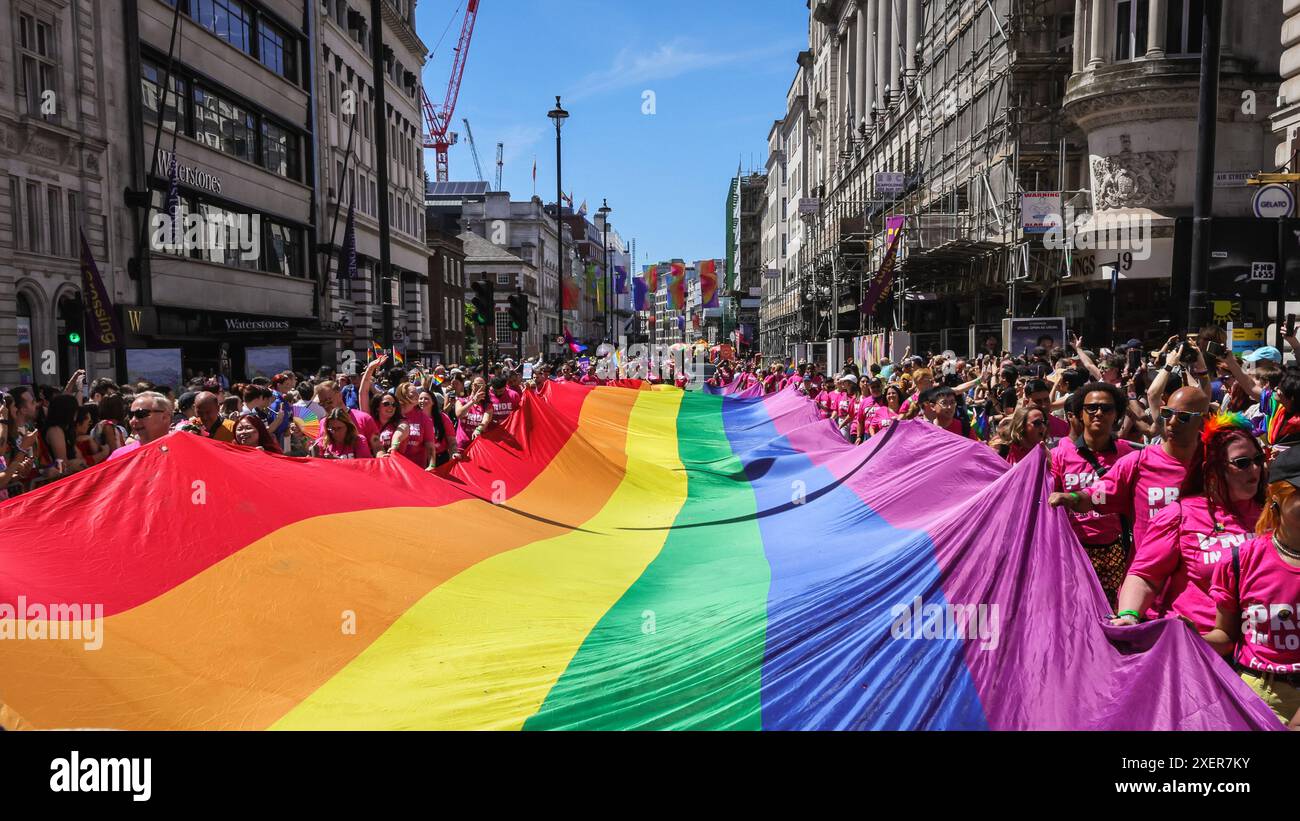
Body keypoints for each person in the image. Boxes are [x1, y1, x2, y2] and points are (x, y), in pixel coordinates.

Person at [1113, 413, 1265, 633]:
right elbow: (1145, 576)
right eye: (1242, 463)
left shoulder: (1272, 514)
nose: (1255, 469)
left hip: (1260, 649)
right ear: (1212, 471)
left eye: (1258, 460)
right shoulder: (1179, 515)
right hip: (1195, 645)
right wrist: (1129, 615)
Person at [1203, 445, 1300, 725]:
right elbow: (1225, 636)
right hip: (1252, 696)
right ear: (1276, 496)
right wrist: (1188, 635)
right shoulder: (1241, 559)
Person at [1050, 386, 1210, 550]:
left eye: (1183, 417)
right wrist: (1072, 498)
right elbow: (1094, 495)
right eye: (1167, 413)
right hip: (1142, 568)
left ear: (1204, 420)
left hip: (1198, 567)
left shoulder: (1218, 465)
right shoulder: (1137, 461)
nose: (1172, 422)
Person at [1050, 382, 1137, 608]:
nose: (1098, 413)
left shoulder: (1128, 454)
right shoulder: (1059, 455)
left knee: (1111, 614)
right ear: (1080, 413)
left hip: (1115, 550)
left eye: (1106, 408)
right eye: (1091, 408)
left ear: (1116, 414)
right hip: (1071, 551)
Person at [107, 392, 175, 461]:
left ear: (165, 417)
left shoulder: (182, 449)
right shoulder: (120, 456)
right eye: (130, 415)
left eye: (141, 414)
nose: (133, 421)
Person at [456, 377, 494, 451]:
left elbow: (485, 420)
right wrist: (473, 400)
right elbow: (459, 414)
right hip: (461, 445)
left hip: (478, 446)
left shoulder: (487, 405)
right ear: (472, 385)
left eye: (481, 385)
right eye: (476, 384)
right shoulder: (462, 401)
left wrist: (479, 429)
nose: (478, 387)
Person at [369, 392, 409, 458]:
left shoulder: (402, 423)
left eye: (393, 404)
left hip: (396, 464)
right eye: (386, 404)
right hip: (378, 464)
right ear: (377, 407)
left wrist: (394, 446)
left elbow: (398, 436)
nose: (391, 407)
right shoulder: (372, 422)